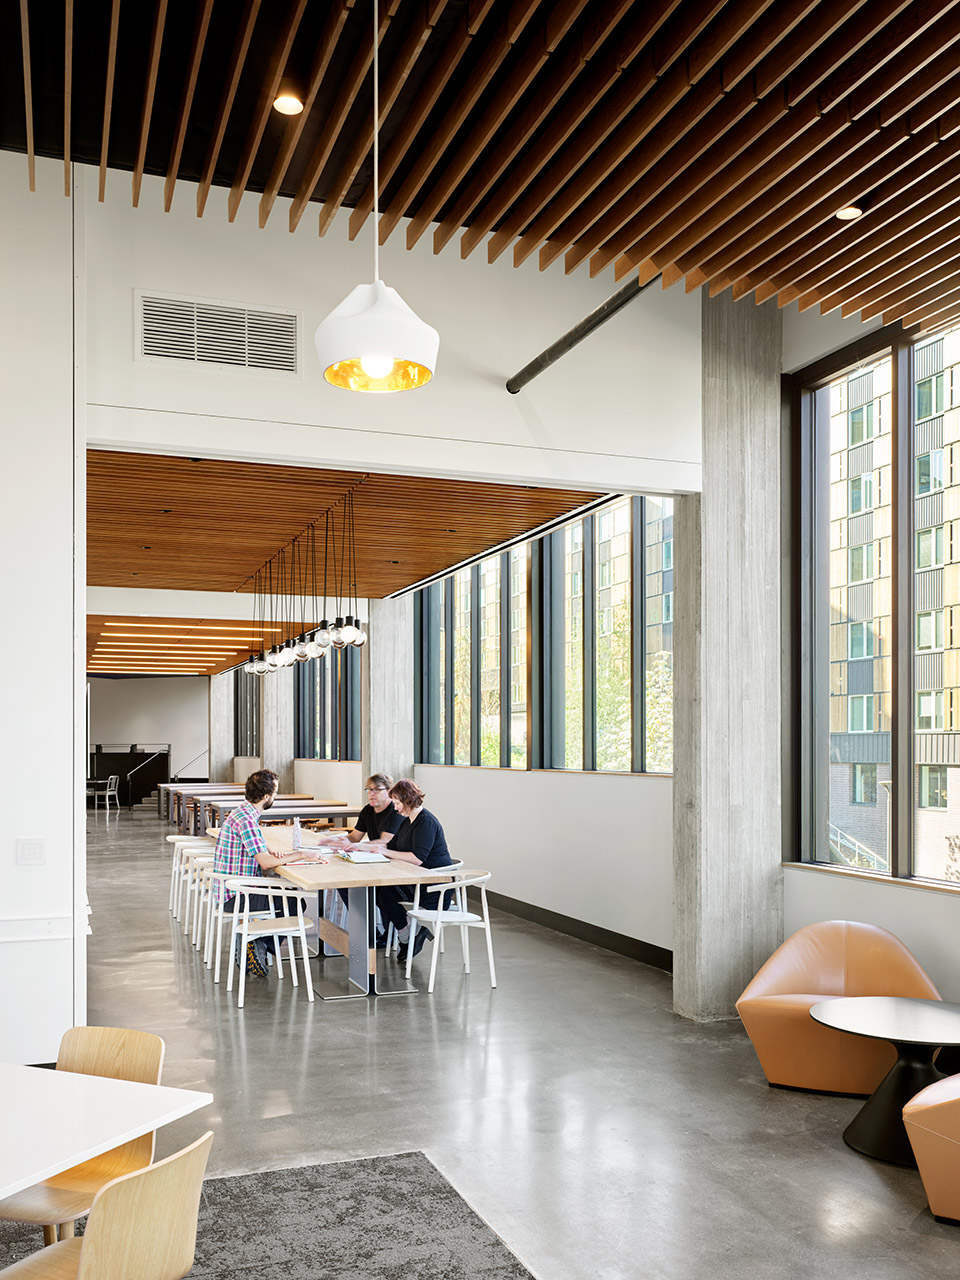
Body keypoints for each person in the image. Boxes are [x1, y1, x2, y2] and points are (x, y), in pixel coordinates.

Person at [214, 769, 325, 975]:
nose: (275, 797)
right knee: (294, 901)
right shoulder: (247, 820)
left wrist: (269, 852)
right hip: (237, 896)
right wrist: (300, 855)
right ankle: (259, 943)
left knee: (288, 898)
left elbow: (258, 854)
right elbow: (265, 864)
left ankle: (258, 944)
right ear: (266, 797)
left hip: (232, 889)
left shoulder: (241, 812)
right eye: (275, 793)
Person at [377, 778, 454, 963]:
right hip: (418, 880)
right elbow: (391, 847)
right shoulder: (408, 821)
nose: (395, 808)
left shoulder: (425, 822)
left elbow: (417, 858)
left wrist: (385, 851)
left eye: (397, 803)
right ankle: (410, 932)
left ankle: (408, 935)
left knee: (384, 893)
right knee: (380, 891)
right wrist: (367, 849)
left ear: (407, 801)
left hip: (434, 886)